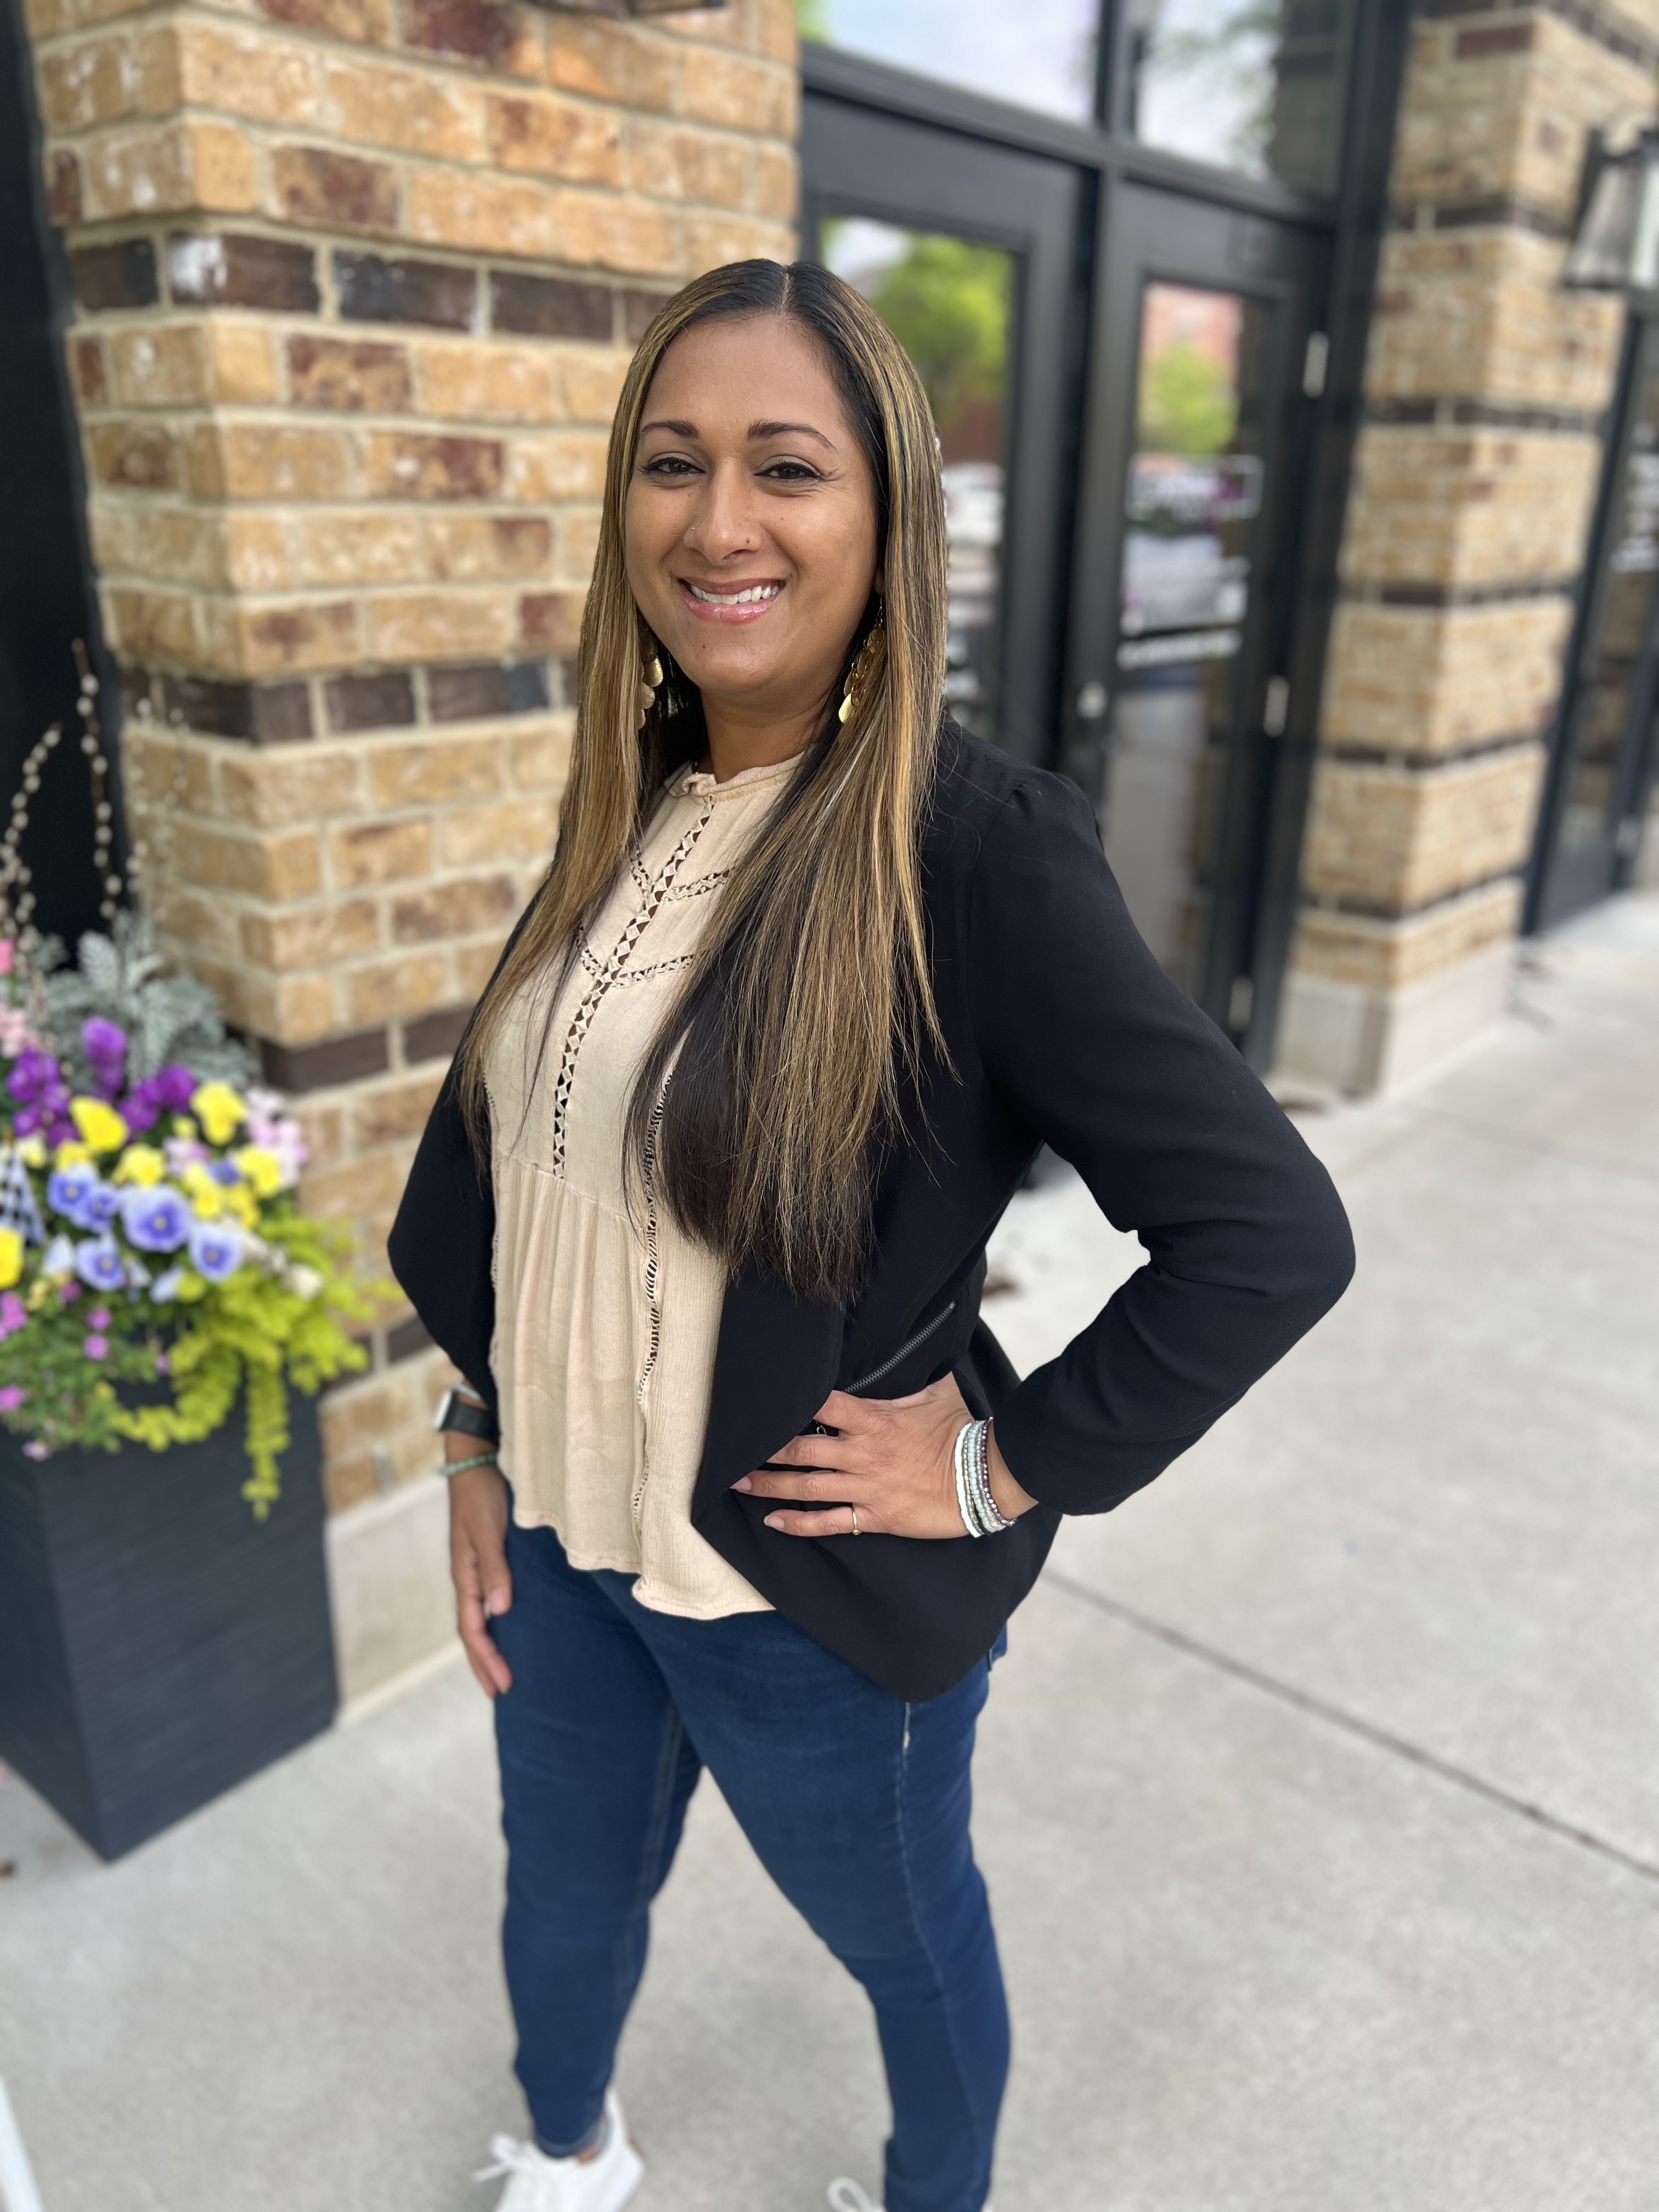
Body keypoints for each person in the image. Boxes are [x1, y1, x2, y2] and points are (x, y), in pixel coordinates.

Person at [388, 257, 1353, 2212]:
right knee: (560, 1894)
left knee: (908, 1949)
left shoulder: (976, 855)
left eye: (786, 466)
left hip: (797, 1611)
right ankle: (570, 2149)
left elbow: (1269, 1232)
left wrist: (1003, 1461)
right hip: (566, 1558)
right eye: (672, 463)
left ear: (890, 516)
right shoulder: (631, 801)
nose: (718, 523)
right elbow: (525, 1170)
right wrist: (478, 1430)